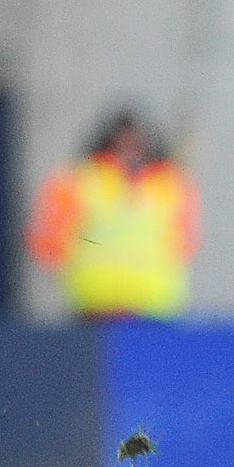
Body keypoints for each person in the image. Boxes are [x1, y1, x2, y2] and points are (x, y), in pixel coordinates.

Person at [28, 110, 201, 320]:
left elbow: (187, 242)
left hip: (156, 307)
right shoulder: (78, 180)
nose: (130, 152)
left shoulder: (172, 183)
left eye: (135, 144)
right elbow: (47, 242)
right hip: (94, 306)